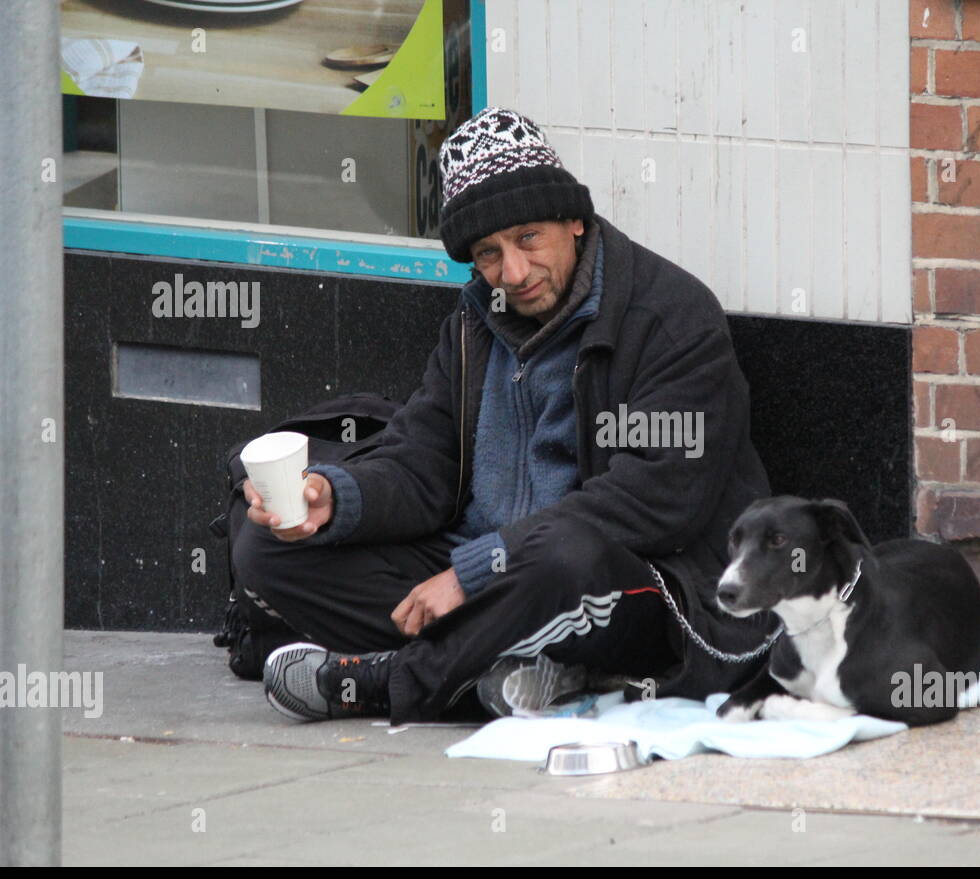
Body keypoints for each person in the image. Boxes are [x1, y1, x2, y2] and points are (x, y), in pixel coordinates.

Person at [232, 106, 776, 724]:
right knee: (266, 549)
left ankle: (389, 680)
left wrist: (479, 572)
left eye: (527, 239)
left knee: (568, 555)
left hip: (625, 579)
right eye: (488, 253)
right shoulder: (475, 322)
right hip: (484, 567)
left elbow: (654, 501)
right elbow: (423, 459)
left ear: (574, 219)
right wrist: (336, 497)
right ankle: (507, 670)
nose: (512, 273)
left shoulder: (671, 319)